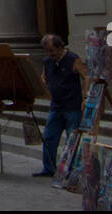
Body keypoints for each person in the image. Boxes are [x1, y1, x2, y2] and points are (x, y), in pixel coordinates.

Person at [35, 34, 88, 177]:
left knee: (72, 140)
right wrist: (45, 86)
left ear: (60, 47)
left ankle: (73, 171)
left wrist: (85, 97)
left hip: (72, 106)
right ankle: (49, 168)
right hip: (56, 106)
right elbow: (44, 77)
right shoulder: (48, 61)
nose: (50, 54)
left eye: (52, 50)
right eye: (47, 51)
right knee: (49, 137)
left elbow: (86, 76)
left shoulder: (72, 58)